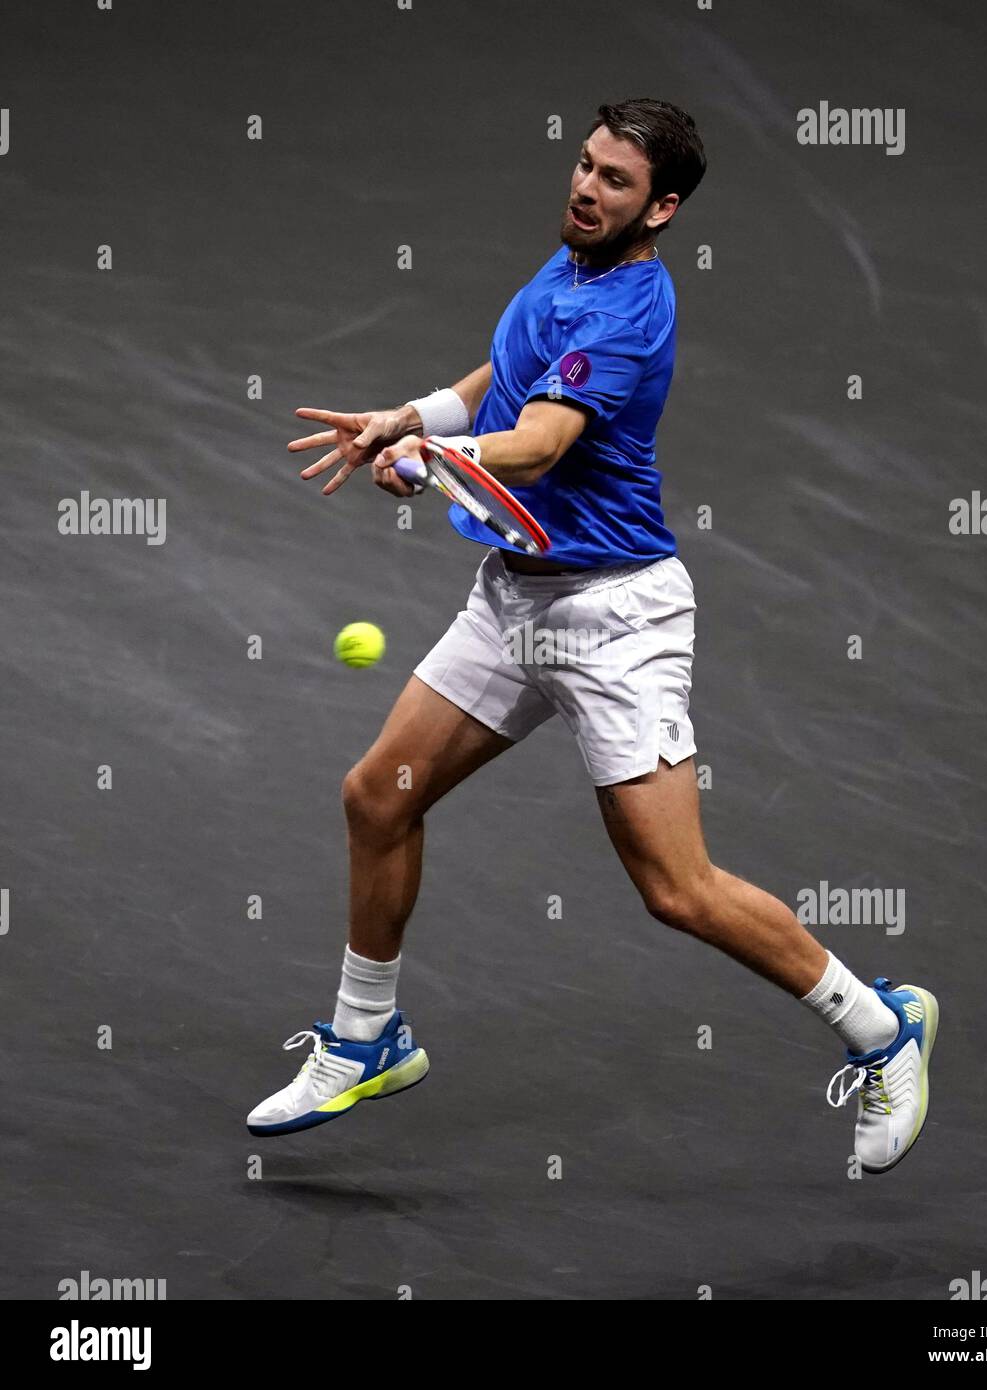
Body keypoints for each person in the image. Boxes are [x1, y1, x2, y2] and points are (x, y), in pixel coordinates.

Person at [248, 98, 938, 1173]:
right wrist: (415, 420)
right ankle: (365, 1033)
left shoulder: (630, 310)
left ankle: (884, 1027)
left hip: (616, 617)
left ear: (662, 209)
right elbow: (506, 373)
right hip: (516, 593)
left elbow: (535, 441)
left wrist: (442, 463)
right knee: (377, 793)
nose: (585, 188)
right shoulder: (568, 266)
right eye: (583, 166)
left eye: (616, 182)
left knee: (675, 887)